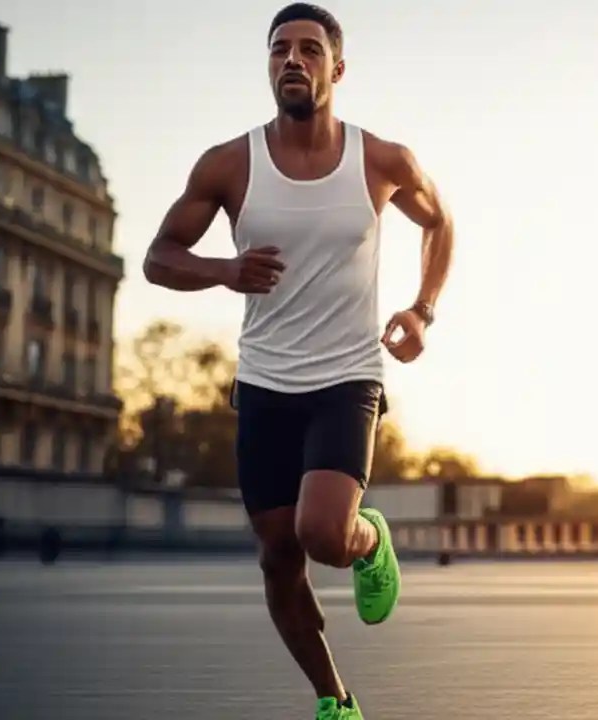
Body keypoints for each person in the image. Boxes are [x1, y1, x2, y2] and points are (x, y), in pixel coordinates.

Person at [141, 4, 454, 718]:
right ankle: (335, 702)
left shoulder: (382, 161)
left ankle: (369, 539)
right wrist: (225, 270)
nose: (293, 59)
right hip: (265, 385)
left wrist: (421, 309)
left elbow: (441, 223)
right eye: (280, 48)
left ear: (336, 69)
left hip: (347, 379)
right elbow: (159, 258)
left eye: (310, 49)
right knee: (278, 556)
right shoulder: (227, 165)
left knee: (322, 532)